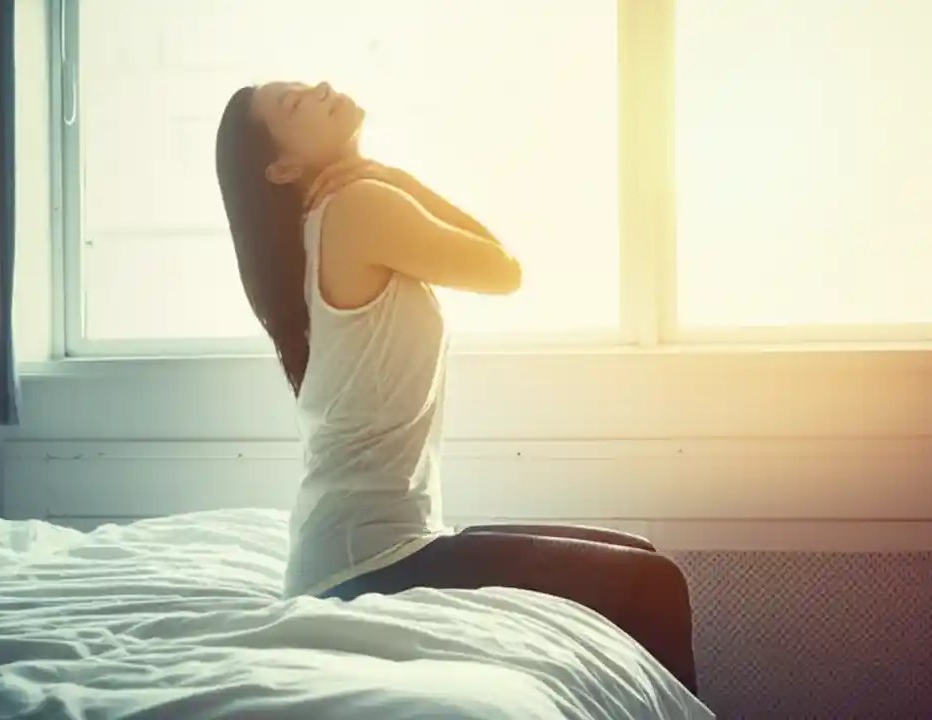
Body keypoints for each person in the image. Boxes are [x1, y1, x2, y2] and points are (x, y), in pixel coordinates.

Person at [215, 81, 697, 692]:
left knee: (641, 558)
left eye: (305, 85)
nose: (320, 89)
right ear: (282, 168)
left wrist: (388, 177)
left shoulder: (329, 220)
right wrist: (396, 179)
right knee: (655, 585)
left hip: (367, 550)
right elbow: (503, 270)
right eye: (292, 103)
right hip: (366, 563)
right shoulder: (357, 207)